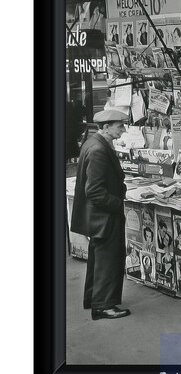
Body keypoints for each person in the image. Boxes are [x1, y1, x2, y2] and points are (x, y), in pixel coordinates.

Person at [70, 108, 131, 320]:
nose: (123, 130)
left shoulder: (94, 143)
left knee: (98, 261)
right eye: (120, 126)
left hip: (96, 216)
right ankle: (104, 306)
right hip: (104, 216)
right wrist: (117, 203)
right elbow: (94, 190)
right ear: (106, 127)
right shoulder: (98, 150)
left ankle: (93, 299)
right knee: (109, 261)